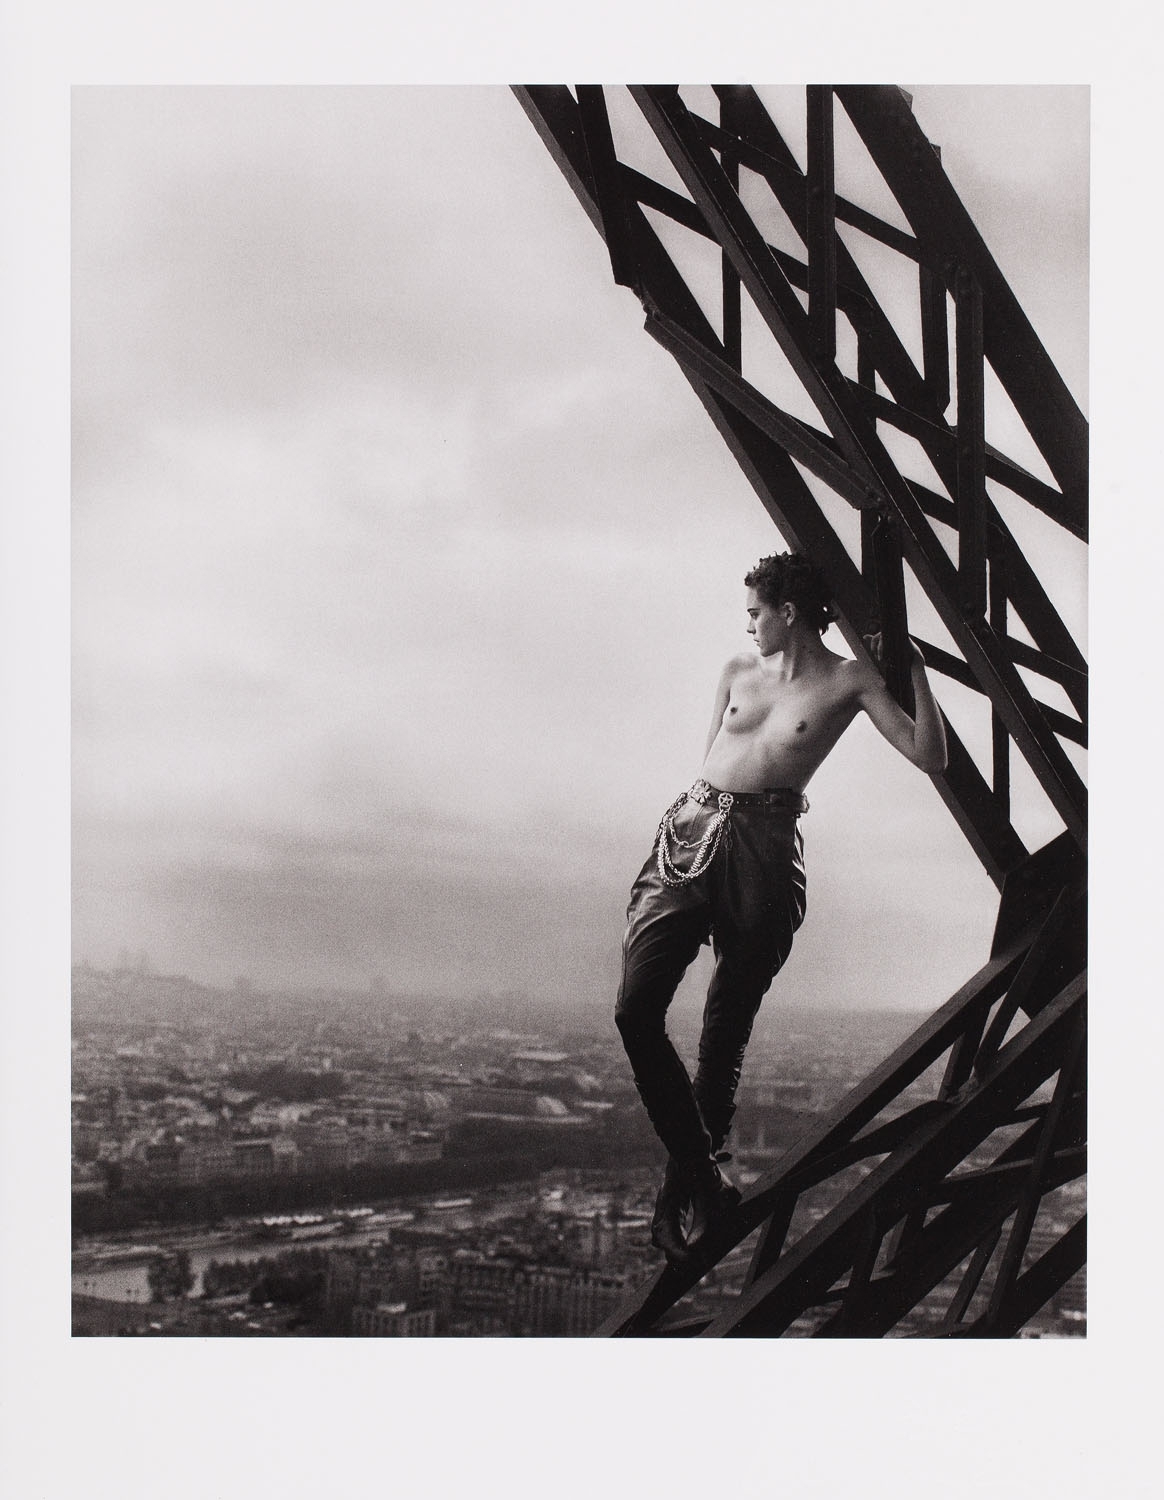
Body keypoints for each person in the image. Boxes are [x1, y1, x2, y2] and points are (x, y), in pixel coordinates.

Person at [615, 551, 948, 1264]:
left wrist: (915, 669)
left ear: (788, 612)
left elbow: (928, 754)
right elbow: (708, 758)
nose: (750, 626)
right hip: (691, 832)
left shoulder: (850, 680)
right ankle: (703, 1178)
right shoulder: (737, 672)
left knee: (724, 1029)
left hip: (766, 847)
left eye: (756, 613)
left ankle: (685, 1191)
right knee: (634, 1010)